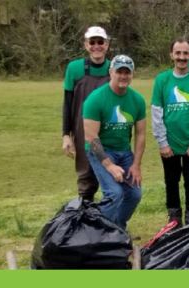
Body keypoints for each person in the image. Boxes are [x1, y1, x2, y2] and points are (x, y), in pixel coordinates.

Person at [151, 39, 189, 227]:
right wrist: (162, 143)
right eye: (178, 53)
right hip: (169, 145)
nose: (181, 57)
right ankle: (174, 218)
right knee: (171, 181)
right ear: (171, 55)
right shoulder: (162, 80)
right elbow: (156, 111)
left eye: (185, 53)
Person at [83, 54, 147, 229]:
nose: (123, 76)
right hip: (100, 151)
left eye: (127, 72)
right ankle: (98, 232)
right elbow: (91, 137)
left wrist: (136, 165)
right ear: (111, 72)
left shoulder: (137, 100)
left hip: (124, 151)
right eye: (119, 71)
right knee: (114, 194)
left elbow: (141, 134)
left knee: (134, 194)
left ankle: (117, 229)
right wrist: (109, 166)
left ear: (133, 74)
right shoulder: (96, 99)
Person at [62, 26, 110, 200]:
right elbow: (67, 104)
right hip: (82, 130)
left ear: (107, 45)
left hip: (109, 129)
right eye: (92, 42)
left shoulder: (115, 69)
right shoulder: (74, 69)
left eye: (100, 42)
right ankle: (85, 215)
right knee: (86, 177)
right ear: (86, 44)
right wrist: (66, 135)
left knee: (110, 176)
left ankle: (109, 219)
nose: (96, 46)